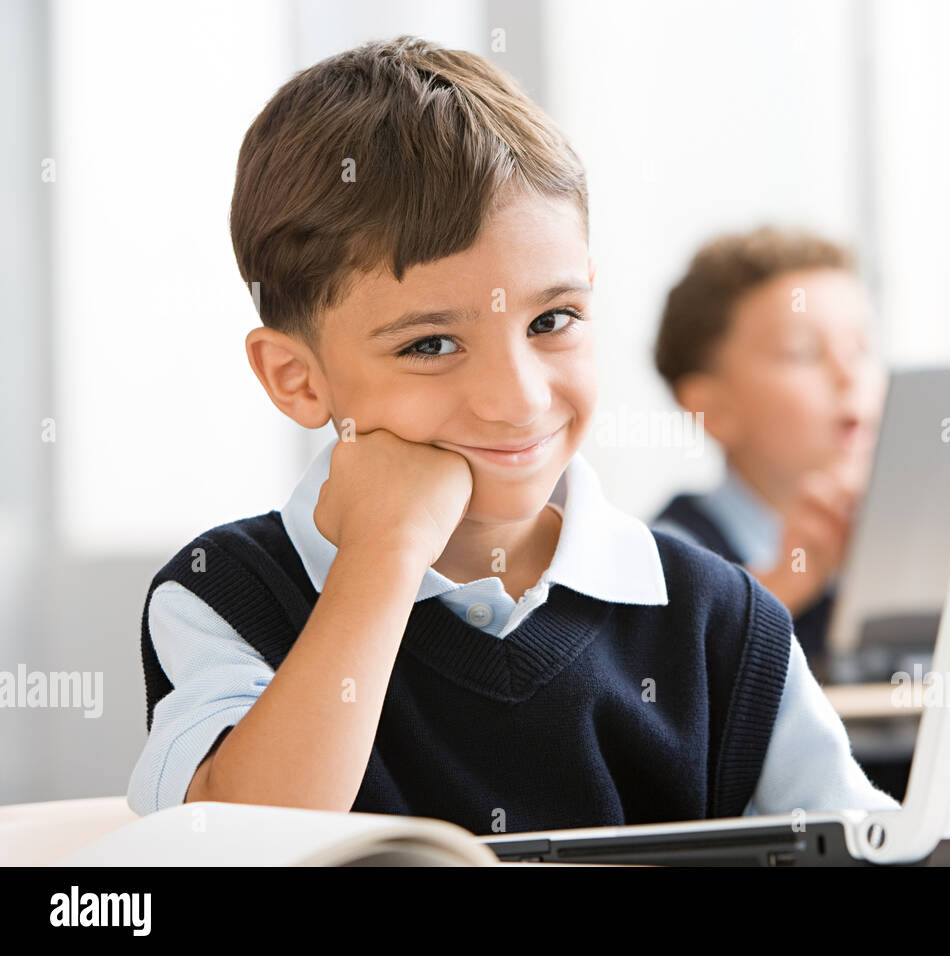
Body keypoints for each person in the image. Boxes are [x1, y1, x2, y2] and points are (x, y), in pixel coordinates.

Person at [127, 37, 898, 833]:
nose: (517, 399)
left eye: (551, 320)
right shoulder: (225, 592)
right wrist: (381, 556)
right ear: (297, 379)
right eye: (430, 344)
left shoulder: (722, 619)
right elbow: (239, 838)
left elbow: (871, 846)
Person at [651, 226, 887, 678]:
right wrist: (788, 581)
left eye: (862, 348)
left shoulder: (902, 539)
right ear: (713, 410)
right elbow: (657, 674)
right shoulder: (672, 555)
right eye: (802, 353)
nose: (849, 374)